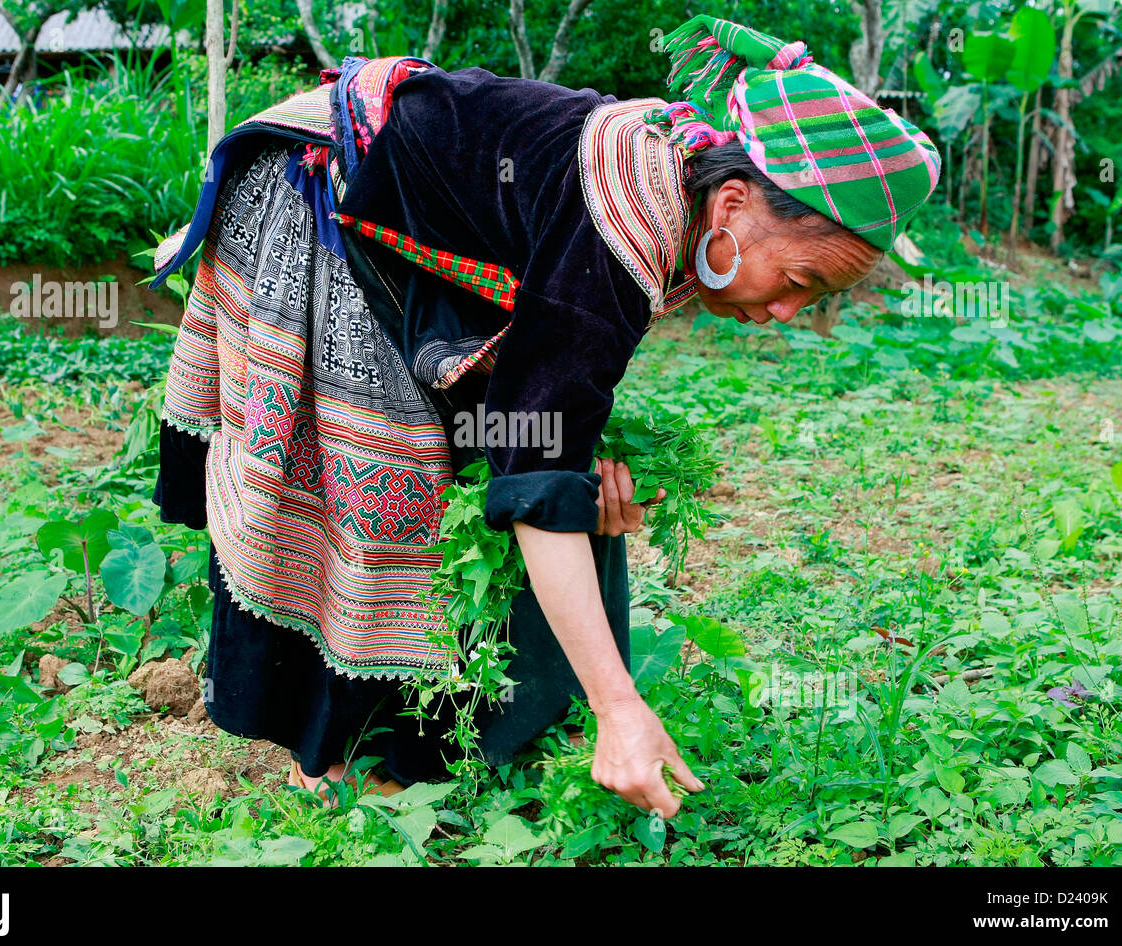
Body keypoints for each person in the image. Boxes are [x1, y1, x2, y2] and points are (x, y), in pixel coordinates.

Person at [150, 16, 941, 819]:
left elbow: (546, 398)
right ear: (733, 202)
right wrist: (617, 705)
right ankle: (336, 762)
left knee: (538, 471)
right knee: (383, 483)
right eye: (797, 280)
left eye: (812, 301)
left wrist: (565, 462)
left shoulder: (681, 183)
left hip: (418, 237)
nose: (785, 311)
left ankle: (449, 734)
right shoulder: (627, 219)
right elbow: (534, 461)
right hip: (323, 191)